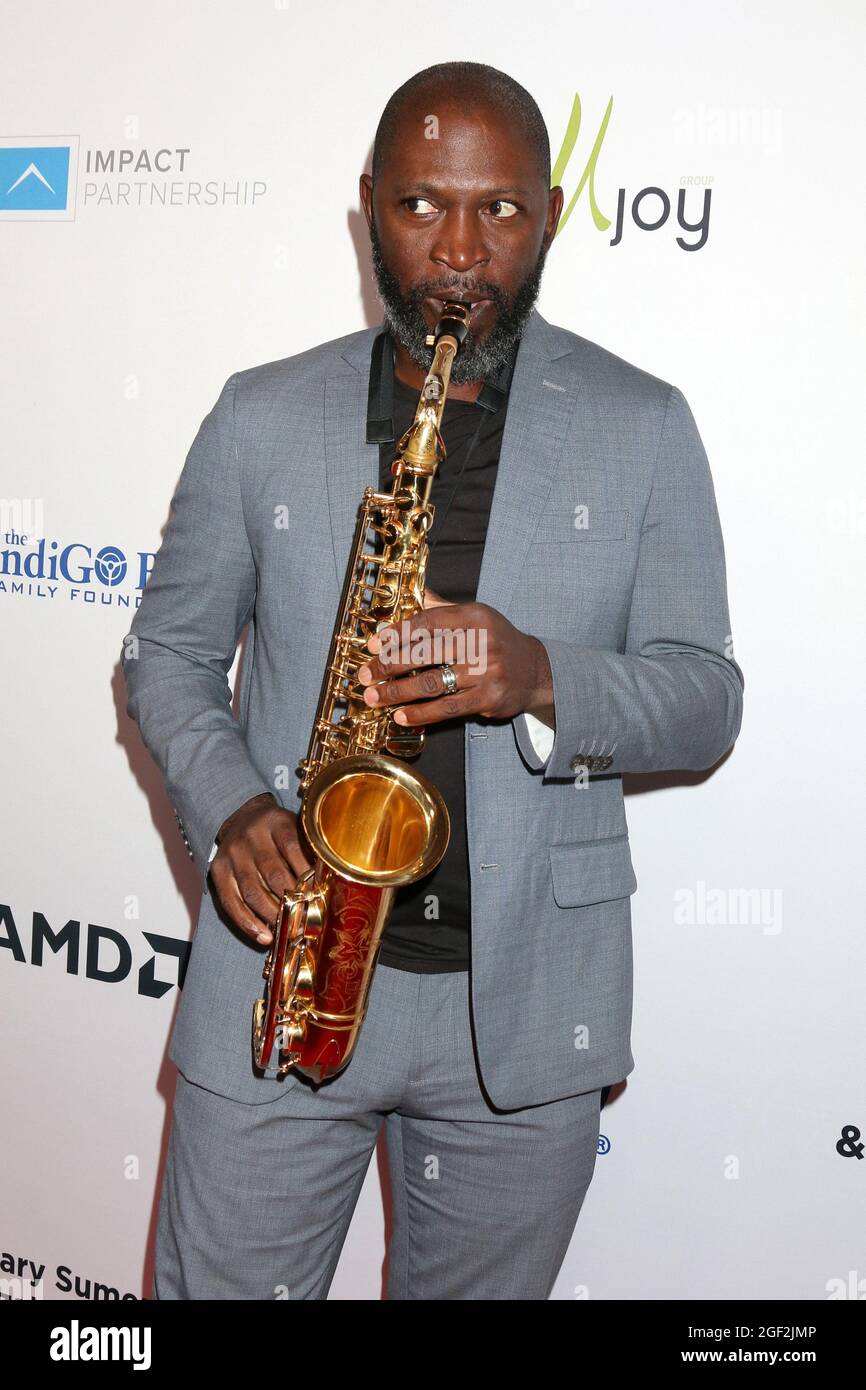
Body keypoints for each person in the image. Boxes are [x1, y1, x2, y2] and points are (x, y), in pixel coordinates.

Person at [122, 60, 744, 1300]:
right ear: (369, 207)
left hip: (518, 1016)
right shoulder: (257, 413)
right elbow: (168, 656)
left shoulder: (644, 424)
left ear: (550, 213)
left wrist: (538, 677)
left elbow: (704, 697)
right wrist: (236, 808)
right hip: (280, 969)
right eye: (421, 209)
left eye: (499, 212)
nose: (459, 253)